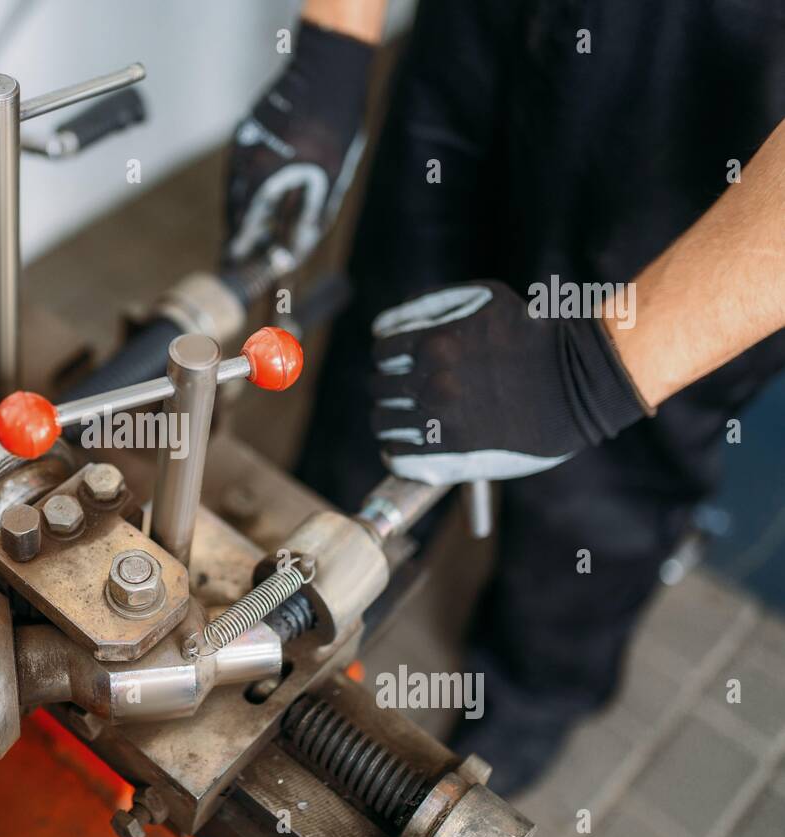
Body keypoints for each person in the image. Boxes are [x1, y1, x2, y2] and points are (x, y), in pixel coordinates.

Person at [225, 0, 785, 792]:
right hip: (480, 34)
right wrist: (335, 43)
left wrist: (592, 370)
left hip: (724, 113)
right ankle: (326, 588)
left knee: (606, 470)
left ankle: (533, 686)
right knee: (398, 341)